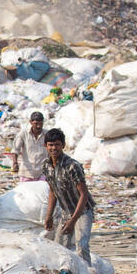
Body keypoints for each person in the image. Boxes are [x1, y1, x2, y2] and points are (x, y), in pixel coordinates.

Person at [43, 127, 95, 264]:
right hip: (66, 212)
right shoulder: (47, 166)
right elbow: (53, 191)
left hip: (82, 211)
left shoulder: (72, 166)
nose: (54, 148)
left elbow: (83, 194)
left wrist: (73, 221)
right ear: (45, 146)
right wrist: (49, 216)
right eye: (51, 145)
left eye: (57, 145)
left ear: (63, 146)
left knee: (82, 246)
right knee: (59, 248)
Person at [12, 111, 48, 181]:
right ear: (30, 122)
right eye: (36, 124)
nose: (38, 126)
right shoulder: (23, 134)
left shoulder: (47, 134)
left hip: (42, 172)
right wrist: (15, 163)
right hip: (27, 172)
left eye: (41, 124)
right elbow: (15, 150)